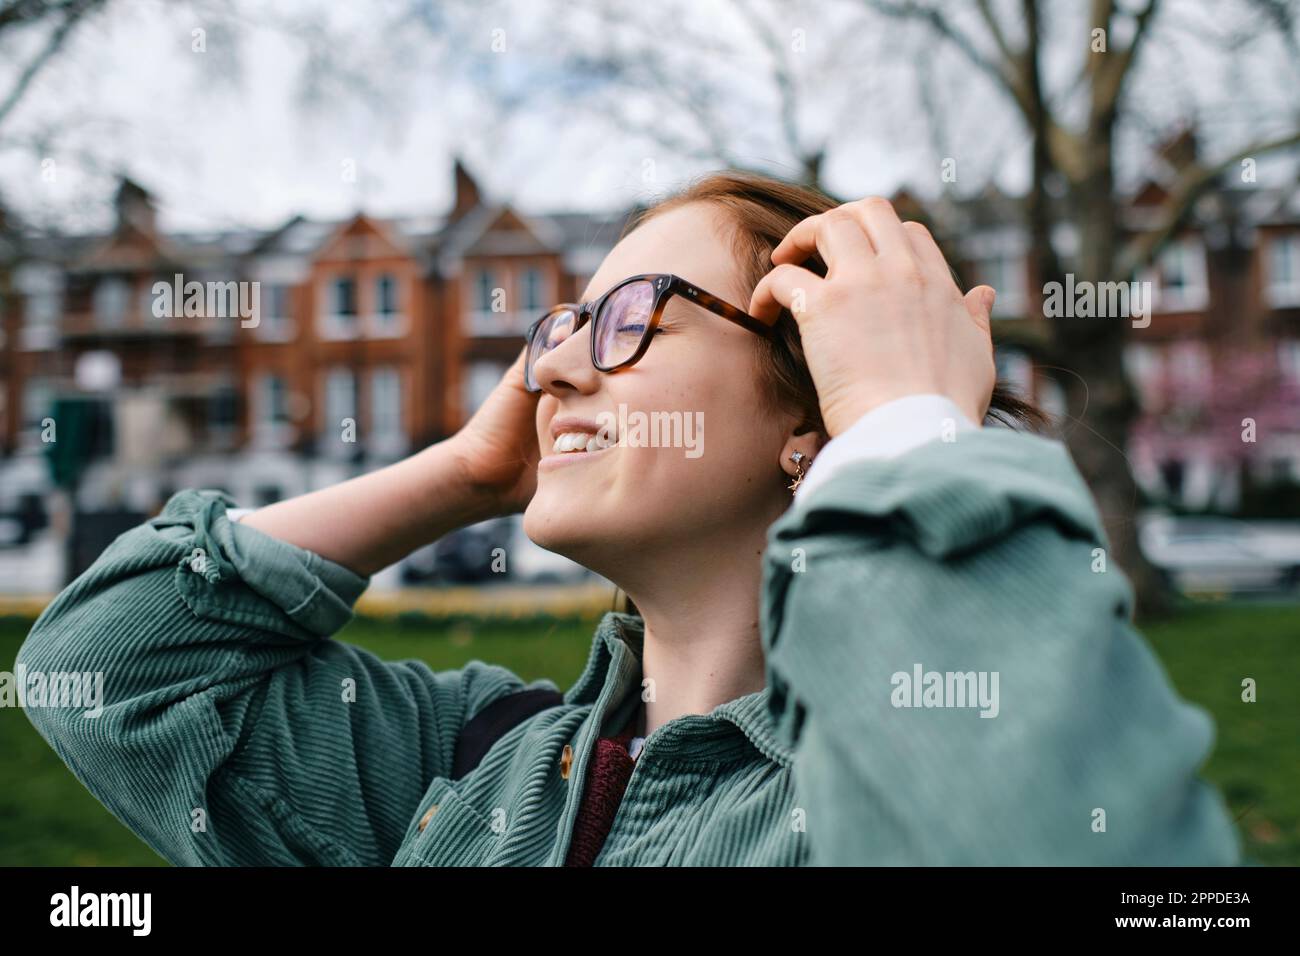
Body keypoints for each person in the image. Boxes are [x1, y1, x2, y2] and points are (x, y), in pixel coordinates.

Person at [16, 171, 1241, 866]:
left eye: (629, 317)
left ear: (809, 413)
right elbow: (105, 669)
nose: (547, 370)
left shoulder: (855, 796)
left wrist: (905, 425)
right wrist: (463, 469)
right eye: (555, 329)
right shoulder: (468, 764)